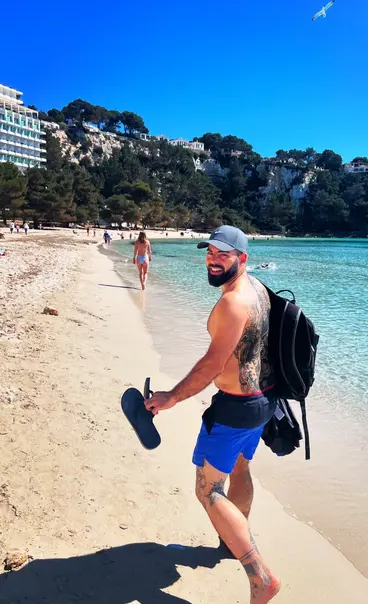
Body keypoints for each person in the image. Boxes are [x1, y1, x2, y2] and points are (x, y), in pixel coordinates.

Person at [146, 225, 281, 604]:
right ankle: (231, 542)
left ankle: (260, 576)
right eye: (210, 252)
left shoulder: (232, 303)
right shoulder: (257, 290)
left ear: (243, 258)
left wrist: (172, 396)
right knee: (240, 467)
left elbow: (212, 364)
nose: (213, 260)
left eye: (223, 255)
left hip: (236, 409)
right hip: (263, 401)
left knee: (207, 490)